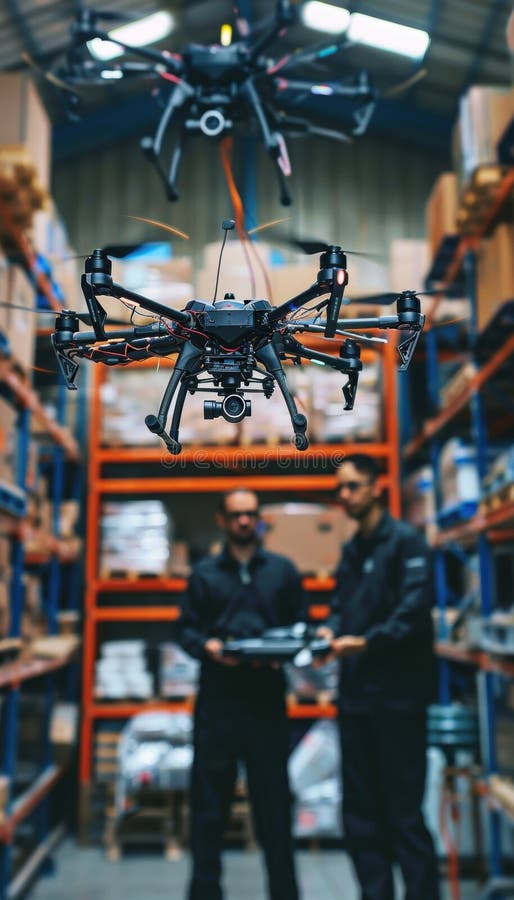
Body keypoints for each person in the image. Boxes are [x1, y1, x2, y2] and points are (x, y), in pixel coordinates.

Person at [318, 453, 440, 900]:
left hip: (399, 702)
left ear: (377, 488)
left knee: (403, 816)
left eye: (352, 486)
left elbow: (412, 613)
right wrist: (330, 630)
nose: (344, 496)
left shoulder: (408, 543)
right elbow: (338, 606)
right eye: (340, 489)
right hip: (356, 701)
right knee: (361, 815)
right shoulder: (352, 551)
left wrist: (365, 642)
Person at [177, 488, 304, 900]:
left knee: (275, 810)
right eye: (236, 515)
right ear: (222, 520)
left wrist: (285, 652)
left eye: (250, 514)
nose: (244, 522)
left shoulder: (283, 571)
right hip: (219, 701)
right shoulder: (204, 574)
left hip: (266, 701)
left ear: (260, 519)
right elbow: (186, 630)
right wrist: (207, 647)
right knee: (209, 810)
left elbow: (301, 624)